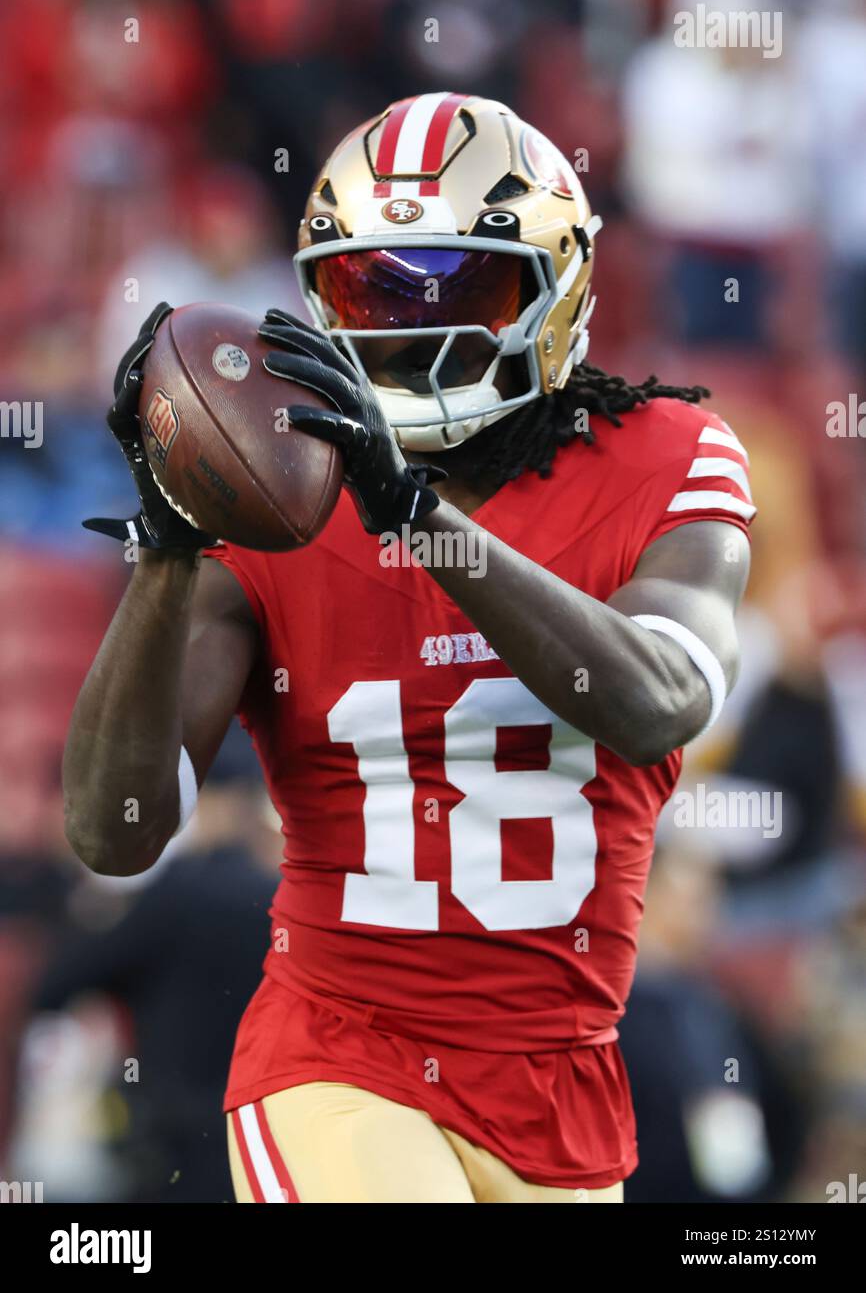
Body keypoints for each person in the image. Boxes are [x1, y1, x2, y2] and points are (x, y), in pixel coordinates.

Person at [64, 93, 755, 1204]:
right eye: (373, 287)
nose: (411, 328)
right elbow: (115, 833)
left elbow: (656, 700)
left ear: (557, 284)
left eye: (461, 285)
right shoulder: (278, 498)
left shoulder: (666, 456)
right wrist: (164, 555)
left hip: (563, 1093)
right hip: (339, 1061)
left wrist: (418, 521)